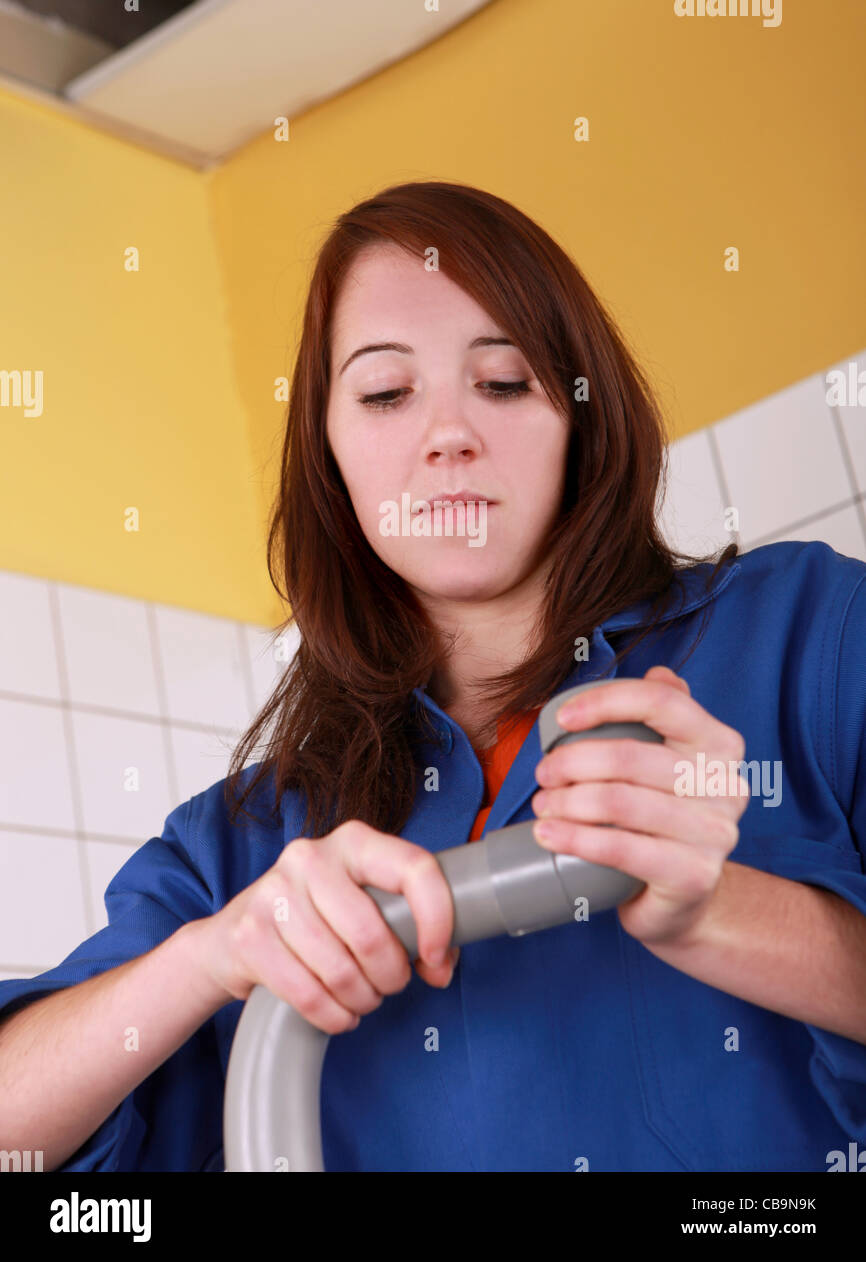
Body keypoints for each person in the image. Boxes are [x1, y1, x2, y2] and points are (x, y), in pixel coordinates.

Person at [1, 180, 865, 1173]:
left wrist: (720, 911)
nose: (449, 433)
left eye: (502, 381)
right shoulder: (242, 845)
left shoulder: (812, 633)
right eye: (384, 394)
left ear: (581, 416)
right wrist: (208, 957)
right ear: (327, 453)